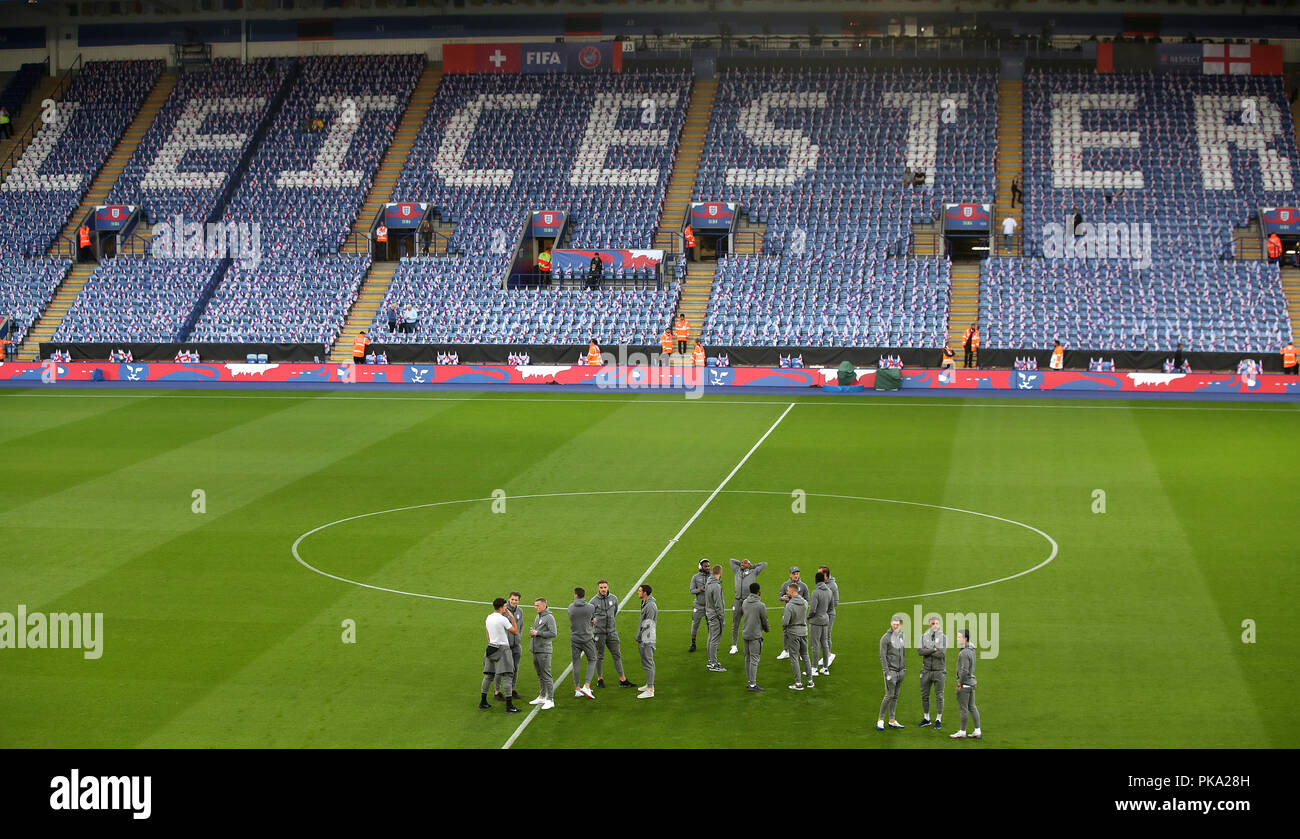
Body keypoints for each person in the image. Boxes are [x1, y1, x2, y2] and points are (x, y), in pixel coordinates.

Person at [479, 598, 521, 713]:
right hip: (503, 649)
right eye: (505, 606)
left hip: (491, 648)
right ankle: (509, 706)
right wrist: (512, 617)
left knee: (488, 676)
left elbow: (487, 631)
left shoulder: (489, 617)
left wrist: (491, 641)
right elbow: (515, 631)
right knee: (508, 676)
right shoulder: (503, 619)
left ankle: (483, 702)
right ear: (502, 607)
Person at [591, 580, 636, 689]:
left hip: (612, 633)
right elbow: (590, 618)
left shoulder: (614, 599)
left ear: (608, 587)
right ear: (598, 588)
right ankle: (600, 679)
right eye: (601, 587)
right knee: (599, 656)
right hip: (599, 633)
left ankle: (623, 680)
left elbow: (614, 613)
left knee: (617, 655)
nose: (603, 589)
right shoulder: (593, 602)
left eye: (605, 587)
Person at [728, 558, 767, 654]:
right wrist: (742, 564)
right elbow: (731, 560)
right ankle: (734, 645)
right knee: (735, 624)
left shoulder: (753, 572)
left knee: (751, 623)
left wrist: (751, 566)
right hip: (737, 601)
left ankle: (755, 642)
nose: (742, 563)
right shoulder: (737, 571)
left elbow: (764, 564)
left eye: (745, 563)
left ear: (749, 565)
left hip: (748, 602)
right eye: (741, 562)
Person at [950, 628, 982, 740]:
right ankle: (977, 731)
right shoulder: (972, 649)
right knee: (972, 707)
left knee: (963, 709)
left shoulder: (964, 653)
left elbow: (964, 670)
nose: (957, 638)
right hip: (972, 683)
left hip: (965, 684)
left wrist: (959, 683)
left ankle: (962, 732)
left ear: (965, 639)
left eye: (959, 637)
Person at [877, 614, 907, 731]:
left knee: (895, 696)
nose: (895, 626)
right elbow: (882, 656)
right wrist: (887, 672)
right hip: (891, 672)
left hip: (901, 671)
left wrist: (904, 668)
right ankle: (880, 719)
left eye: (897, 624)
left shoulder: (902, 636)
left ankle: (892, 720)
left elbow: (903, 653)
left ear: (901, 625)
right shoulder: (885, 638)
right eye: (893, 624)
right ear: (891, 623)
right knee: (889, 695)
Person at [567, 587, 598, 699]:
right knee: (592, 659)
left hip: (575, 639)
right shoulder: (590, 607)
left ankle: (577, 689)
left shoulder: (570, 607)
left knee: (576, 663)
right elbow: (593, 620)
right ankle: (587, 685)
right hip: (587, 639)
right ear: (584, 595)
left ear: (575, 595)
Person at [781, 582, 814, 690]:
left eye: (788, 590)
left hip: (793, 632)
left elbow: (785, 622)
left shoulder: (789, 605)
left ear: (792, 591)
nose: (787, 592)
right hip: (804, 631)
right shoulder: (804, 602)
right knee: (805, 655)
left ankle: (798, 683)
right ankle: (810, 681)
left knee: (794, 657)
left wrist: (784, 625)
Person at [918, 615, 947, 730]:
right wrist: (934, 649)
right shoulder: (924, 637)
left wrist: (927, 651)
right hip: (926, 671)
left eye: (936, 623)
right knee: (924, 695)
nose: (935, 626)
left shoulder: (944, 637)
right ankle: (926, 718)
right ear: (929, 625)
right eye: (932, 624)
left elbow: (942, 654)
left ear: (939, 625)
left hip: (939, 671)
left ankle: (938, 719)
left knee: (939, 696)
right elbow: (920, 651)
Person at [494, 591, 524, 702]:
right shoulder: (503, 611)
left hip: (516, 645)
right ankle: (497, 691)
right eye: (512, 599)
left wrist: (519, 638)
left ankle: (512, 689)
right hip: (505, 646)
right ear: (509, 599)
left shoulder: (520, 611)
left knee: (515, 668)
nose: (514, 601)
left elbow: (521, 626)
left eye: (516, 600)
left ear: (519, 601)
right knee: (500, 669)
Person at [528, 597, 557, 710]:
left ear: (544, 606)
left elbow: (553, 633)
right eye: (535, 605)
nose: (536, 607)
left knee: (546, 674)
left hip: (544, 650)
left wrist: (538, 633)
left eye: (537, 605)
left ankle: (550, 699)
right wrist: (534, 633)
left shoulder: (549, 617)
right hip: (536, 649)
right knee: (540, 674)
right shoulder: (538, 616)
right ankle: (542, 696)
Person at [775, 566, 809, 660]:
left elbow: (807, 599)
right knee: (786, 631)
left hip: (799, 614)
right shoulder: (785, 585)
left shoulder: (803, 586)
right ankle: (786, 651)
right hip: (788, 611)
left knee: (800, 633)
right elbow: (780, 596)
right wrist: (783, 598)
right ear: (790, 574)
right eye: (794, 574)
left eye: (797, 573)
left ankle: (802, 652)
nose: (796, 575)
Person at [740, 583, 768, 692]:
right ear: (758, 591)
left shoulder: (744, 602)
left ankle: (749, 681)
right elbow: (764, 620)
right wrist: (766, 629)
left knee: (747, 658)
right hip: (755, 636)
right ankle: (752, 684)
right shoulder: (761, 605)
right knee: (754, 659)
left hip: (745, 633)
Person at [808, 571, 832, 678]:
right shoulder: (829, 591)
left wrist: (808, 617)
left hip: (816, 621)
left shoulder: (815, 592)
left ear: (816, 580)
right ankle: (825, 668)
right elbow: (831, 607)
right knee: (825, 643)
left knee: (815, 645)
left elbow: (813, 609)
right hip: (825, 619)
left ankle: (814, 668)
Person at [635, 584, 657, 699]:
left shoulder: (650, 606)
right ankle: (648, 684)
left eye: (640, 591)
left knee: (649, 663)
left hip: (647, 639)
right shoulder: (645, 603)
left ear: (645, 593)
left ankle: (650, 689)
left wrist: (640, 636)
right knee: (646, 662)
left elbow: (647, 624)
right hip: (644, 638)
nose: (638, 592)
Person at [704, 563, 726, 672]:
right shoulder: (716, 586)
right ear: (720, 572)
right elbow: (718, 604)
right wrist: (722, 618)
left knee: (710, 638)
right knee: (714, 640)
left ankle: (710, 661)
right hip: (715, 616)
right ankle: (713, 663)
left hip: (709, 613)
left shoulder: (708, 583)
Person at [816, 565, 838, 668]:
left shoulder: (832, 585)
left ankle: (828, 656)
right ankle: (826, 655)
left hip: (829, 614)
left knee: (826, 635)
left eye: (820, 573)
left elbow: (836, 602)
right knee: (822, 636)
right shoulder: (822, 584)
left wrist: (824, 607)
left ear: (825, 574)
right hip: (822, 614)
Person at [688, 558, 710, 652]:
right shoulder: (695, 577)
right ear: (701, 567)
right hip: (698, 605)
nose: (708, 568)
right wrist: (700, 590)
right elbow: (691, 590)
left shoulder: (713, 576)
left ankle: (711, 645)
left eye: (709, 566)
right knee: (695, 625)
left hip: (710, 606)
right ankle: (693, 643)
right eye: (706, 566)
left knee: (711, 626)